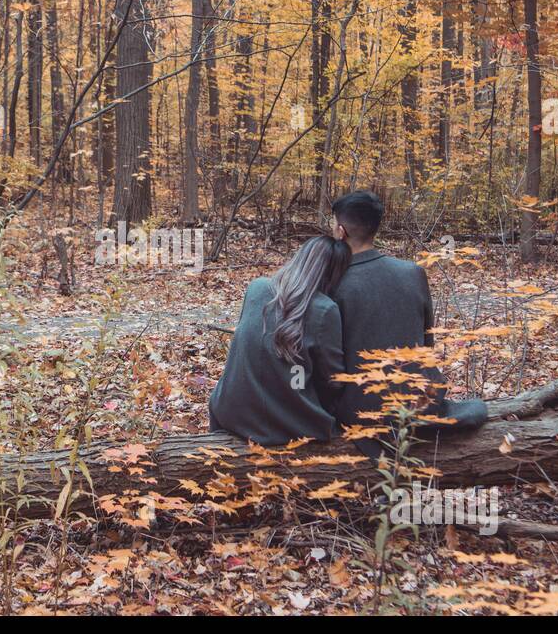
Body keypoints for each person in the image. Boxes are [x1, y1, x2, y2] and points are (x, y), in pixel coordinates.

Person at [328, 190, 487, 455]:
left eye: (333, 224)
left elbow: (327, 360)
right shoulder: (413, 273)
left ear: (341, 231)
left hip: (358, 410)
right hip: (418, 403)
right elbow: (427, 344)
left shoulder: (334, 282)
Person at [208, 236, 351, 447]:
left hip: (228, 410)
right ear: (336, 273)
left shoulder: (257, 287)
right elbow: (333, 380)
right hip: (285, 424)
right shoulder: (325, 309)